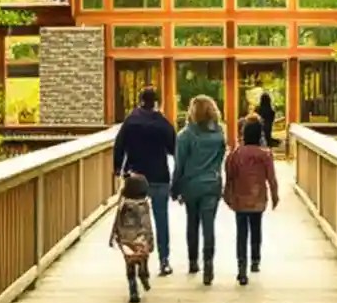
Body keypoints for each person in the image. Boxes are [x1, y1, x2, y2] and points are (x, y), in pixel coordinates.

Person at [112, 86, 176, 275]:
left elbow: (119, 146)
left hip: (136, 179)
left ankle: (138, 256)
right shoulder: (163, 123)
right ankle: (164, 260)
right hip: (159, 177)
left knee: (136, 223)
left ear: (140, 101)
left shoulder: (130, 122)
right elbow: (174, 148)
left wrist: (118, 169)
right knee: (161, 219)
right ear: (156, 103)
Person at [171, 94, 226, 285]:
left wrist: (174, 188)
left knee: (192, 223)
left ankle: (193, 261)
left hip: (191, 185)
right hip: (212, 183)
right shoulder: (219, 134)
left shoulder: (184, 136)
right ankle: (209, 261)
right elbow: (220, 161)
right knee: (209, 224)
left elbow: (179, 165)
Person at [223, 116, 279, 285]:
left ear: (243, 134)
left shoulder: (235, 155)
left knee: (241, 232)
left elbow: (230, 177)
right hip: (258, 198)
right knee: (256, 228)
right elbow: (271, 178)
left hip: (240, 198)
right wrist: (275, 195)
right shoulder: (265, 155)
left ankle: (241, 267)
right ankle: (255, 260)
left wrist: (227, 194)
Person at [108, 173, 155, 303]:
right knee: (142, 257)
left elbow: (117, 221)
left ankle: (133, 289)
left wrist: (113, 236)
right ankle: (143, 272)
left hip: (126, 239)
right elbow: (147, 224)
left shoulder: (123, 205)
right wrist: (150, 241)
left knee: (129, 263)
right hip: (141, 238)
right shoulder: (143, 205)